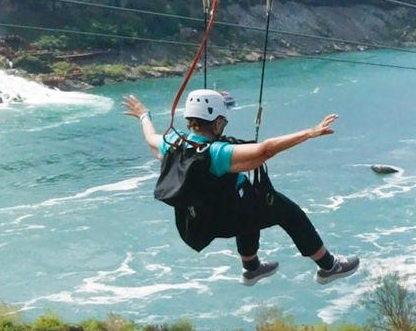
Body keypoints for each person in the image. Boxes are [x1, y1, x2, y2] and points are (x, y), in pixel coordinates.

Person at [123, 90, 360, 285]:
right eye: (223, 122)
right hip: (230, 217)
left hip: (200, 221)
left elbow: (150, 138)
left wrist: (144, 115)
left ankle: (252, 268)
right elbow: (265, 150)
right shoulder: (216, 154)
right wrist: (310, 132)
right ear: (216, 122)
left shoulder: (172, 143)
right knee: (288, 211)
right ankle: (329, 266)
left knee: (251, 200)